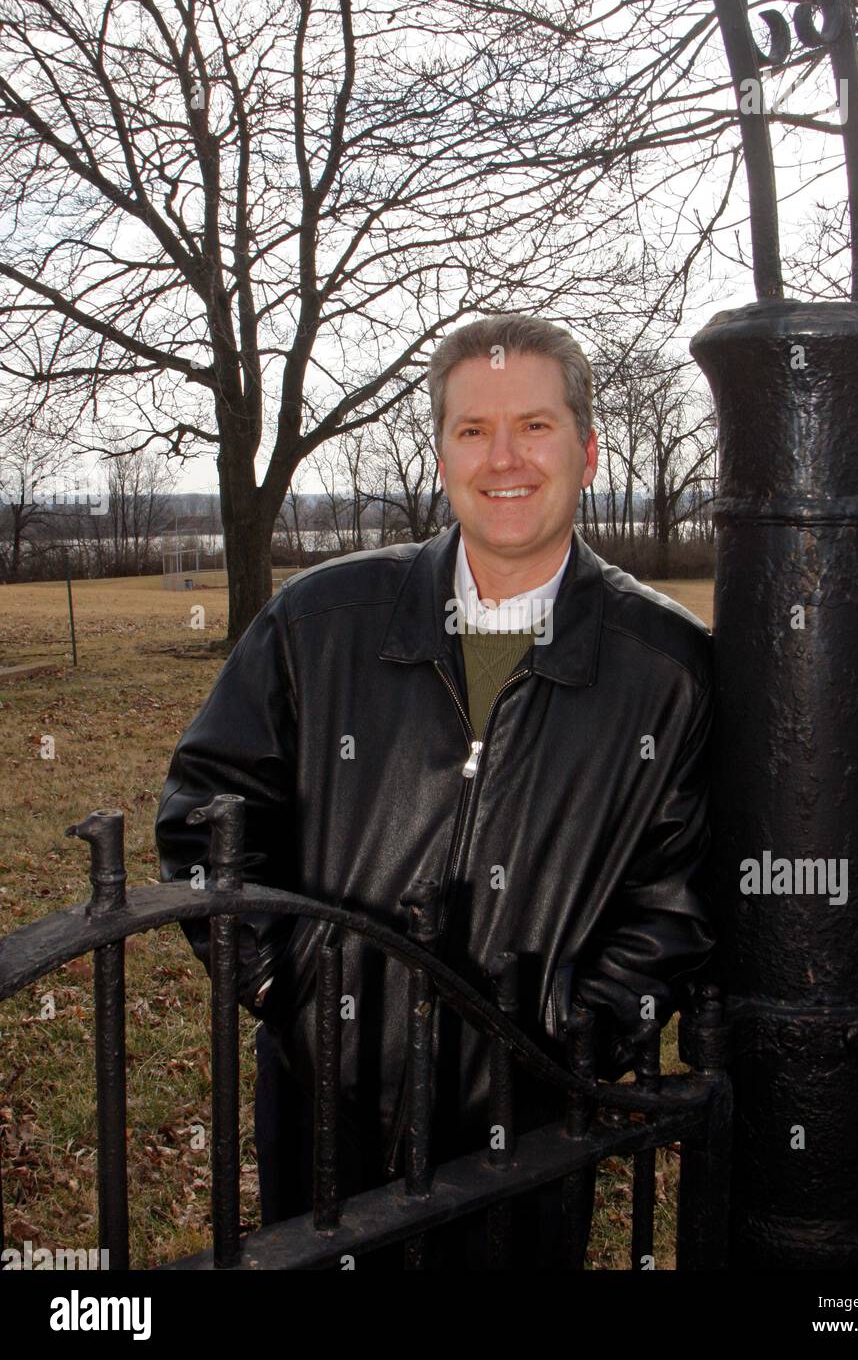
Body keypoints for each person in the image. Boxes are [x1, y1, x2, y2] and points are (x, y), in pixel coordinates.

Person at [155, 313, 716, 1269]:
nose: (504, 458)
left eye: (534, 426)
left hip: (528, 1132)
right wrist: (285, 985)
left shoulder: (666, 670)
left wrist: (565, 1042)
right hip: (321, 1114)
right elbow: (209, 813)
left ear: (585, 452)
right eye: (472, 430)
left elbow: (680, 901)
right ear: (442, 453)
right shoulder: (317, 623)